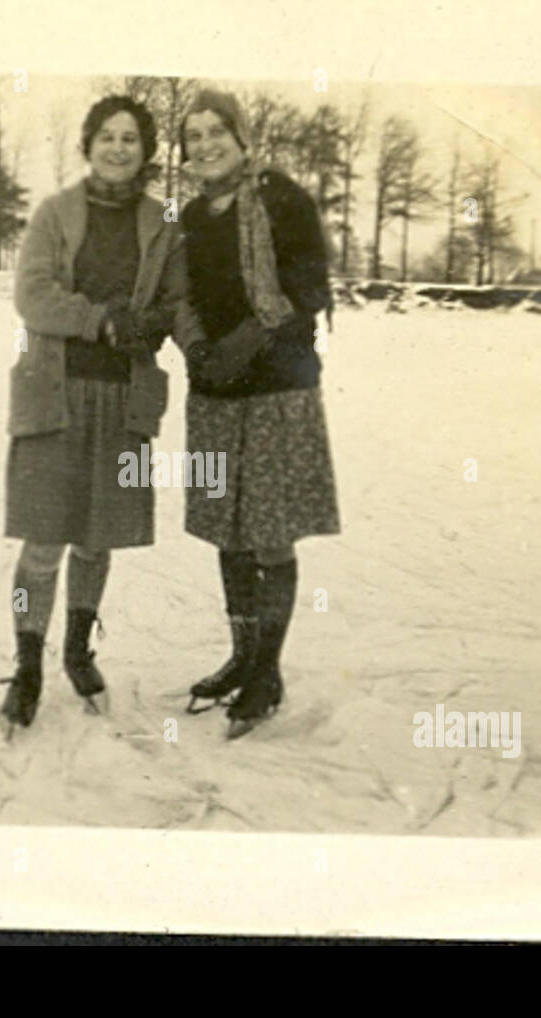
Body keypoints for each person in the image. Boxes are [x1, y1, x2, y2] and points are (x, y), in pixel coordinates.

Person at [0, 95, 199, 734]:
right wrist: (101, 319)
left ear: (146, 152)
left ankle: (77, 650)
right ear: (87, 146)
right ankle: (28, 663)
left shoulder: (163, 222)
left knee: (97, 537)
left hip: (123, 402)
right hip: (54, 399)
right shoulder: (55, 214)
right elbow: (32, 297)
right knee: (43, 541)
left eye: (131, 139)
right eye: (107, 137)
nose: (118, 148)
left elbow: (176, 300)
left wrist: (158, 324)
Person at [177, 89, 341, 739]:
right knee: (228, 526)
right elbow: (179, 290)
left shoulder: (281, 197)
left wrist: (248, 339)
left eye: (219, 130)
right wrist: (198, 348)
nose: (206, 143)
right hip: (215, 390)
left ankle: (267, 671)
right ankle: (242, 656)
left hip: (278, 387)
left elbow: (307, 285)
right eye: (194, 136)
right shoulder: (190, 212)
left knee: (270, 530)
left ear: (243, 137)